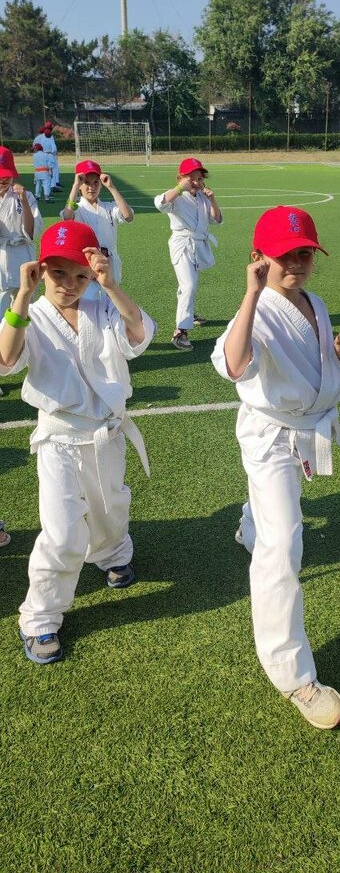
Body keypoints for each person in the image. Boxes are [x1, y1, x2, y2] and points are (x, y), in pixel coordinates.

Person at [211, 206, 340, 729]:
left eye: (304, 253)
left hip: (303, 428)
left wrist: (339, 353)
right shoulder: (257, 307)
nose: (295, 263)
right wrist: (250, 293)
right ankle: (292, 673)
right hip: (271, 436)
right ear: (260, 258)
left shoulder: (313, 301)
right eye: (284, 255)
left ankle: (250, 523)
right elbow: (234, 364)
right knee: (283, 543)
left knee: (275, 515)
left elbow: (312, 364)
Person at [0, 220, 156, 664]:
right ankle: (41, 616)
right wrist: (22, 298)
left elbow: (140, 335)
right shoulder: (27, 314)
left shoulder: (102, 308)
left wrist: (111, 286)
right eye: (58, 274)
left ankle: (112, 553)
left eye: (80, 276)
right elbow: (5, 360)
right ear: (40, 270)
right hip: (60, 437)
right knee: (63, 529)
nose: (69, 285)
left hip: (106, 430)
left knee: (110, 505)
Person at [154, 157, 223, 351]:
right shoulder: (176, 198)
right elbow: (159, 203)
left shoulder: (202, 197)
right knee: (189, 284)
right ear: (181, 178)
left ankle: (189, 315)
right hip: (182, 245)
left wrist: (212, 200)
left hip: (198, 245)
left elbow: (216, 220)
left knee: (191, 283)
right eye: (191, 178)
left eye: (199, 178)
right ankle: (180, 331)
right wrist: (179, 188)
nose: (196, 182)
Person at [61, 160, 134, 300]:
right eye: (86, 183)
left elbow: (128, 216)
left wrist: (112, 187)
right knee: (89, 303)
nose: (91, 187)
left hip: (110, 263)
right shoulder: (78, 208)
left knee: (112, 306)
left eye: (96, 182)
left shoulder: (109, 207)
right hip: (87, 265)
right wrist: (75, 186)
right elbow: (67, 217)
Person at [0, 146, 43, 322]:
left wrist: (24, 200)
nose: (3, 179)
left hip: (23, 254)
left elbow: (31, 231)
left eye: (6, 174)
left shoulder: (26, 195)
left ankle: (25, 344)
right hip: (1, 256)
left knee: (26, 306)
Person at [34, 122, 61, 191]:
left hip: (41, 154)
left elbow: (35, 146)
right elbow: (54, 149)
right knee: (53, 170)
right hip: (50, 155)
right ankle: (53, 185)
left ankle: (39, 182)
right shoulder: (50, 138)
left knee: (40, 168)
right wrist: (54, 154)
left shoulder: (39, 138)